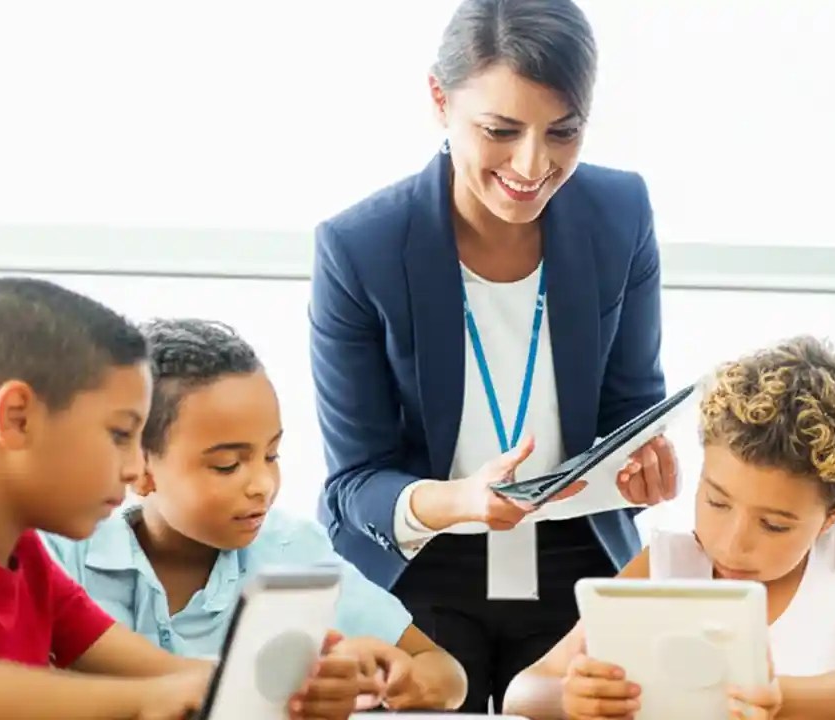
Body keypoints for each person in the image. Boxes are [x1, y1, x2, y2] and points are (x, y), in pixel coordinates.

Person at [309, 0, 680, 711]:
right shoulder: (361, 249)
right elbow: (353, 485)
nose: (533, 166)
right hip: (425, 561)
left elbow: (633, 405)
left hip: (577, 552)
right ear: (439, 100)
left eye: (563, 132)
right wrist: (461, 502)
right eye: (500, 131)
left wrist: (645, 461)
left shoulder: (620, 213)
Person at [0, 278, 363, 719]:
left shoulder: (31, 564)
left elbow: (175, 674)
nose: (135, 469)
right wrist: (148, 699)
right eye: (119, 434)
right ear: (17, 418)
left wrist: (299, 688)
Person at [43, 317, 469, 711]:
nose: (262, 483)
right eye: (227, 465)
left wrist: (380, 679)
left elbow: (445, 673)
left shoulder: (293, 552)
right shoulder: (64, 553)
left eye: (272, 454)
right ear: (139, 467)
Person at [502, 336, 835, 720]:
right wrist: (569, 700)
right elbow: (522, 691)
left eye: (773, 525)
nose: (732, 544)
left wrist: (781, 699)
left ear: (834, 514)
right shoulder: (665, 567)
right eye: (716, 502)